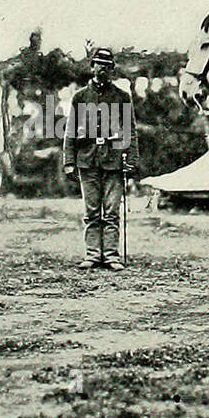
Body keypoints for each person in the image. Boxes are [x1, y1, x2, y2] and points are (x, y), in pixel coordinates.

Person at [62, 47, 139, 270]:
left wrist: (131, 159)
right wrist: (69, 161)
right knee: (92, 211)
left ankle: (111, 255)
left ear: (112, 69)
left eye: (107, 66)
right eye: (98, 64)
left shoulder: (122, 97)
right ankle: (93, 254)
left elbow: (130, 131)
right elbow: (70, 131)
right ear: (92, 67)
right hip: (87, 160)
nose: (102, 69)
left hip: (114, 160)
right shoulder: (80, 97)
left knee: (112, 211)